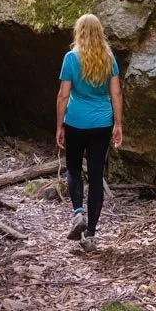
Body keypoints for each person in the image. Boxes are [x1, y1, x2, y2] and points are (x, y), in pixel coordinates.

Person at [56, 13, 123, 251]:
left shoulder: (71, 58)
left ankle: (77, 213)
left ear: (79, 32)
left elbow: (63, 95)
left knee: (74, 168)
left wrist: (59, 125)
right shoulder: (109, 58)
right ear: (99, 32)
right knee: (96, 175)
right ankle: (91, 235)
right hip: (101, 123)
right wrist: (118, 124)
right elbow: (116, 93)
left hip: (75, 122)